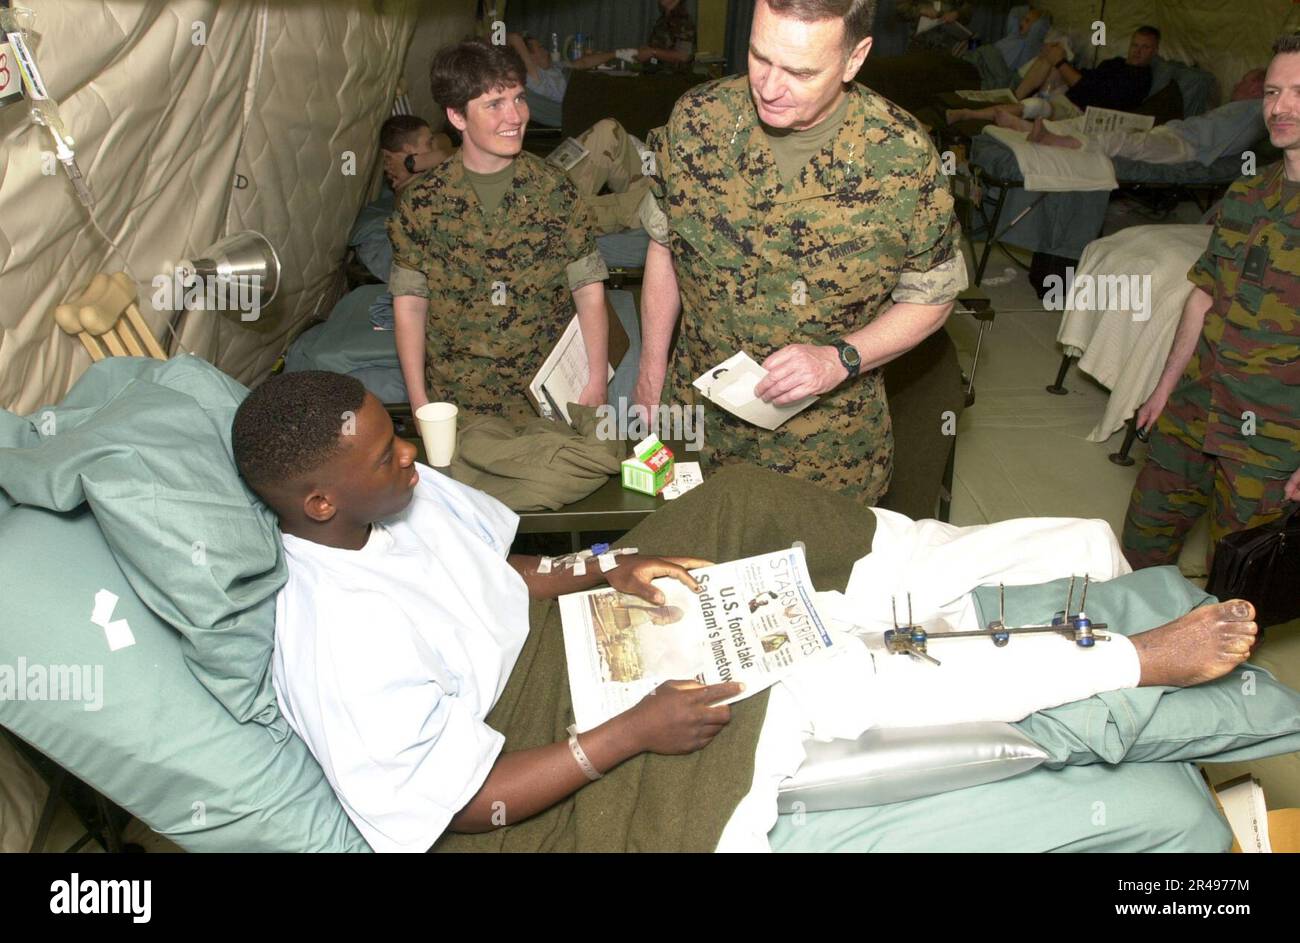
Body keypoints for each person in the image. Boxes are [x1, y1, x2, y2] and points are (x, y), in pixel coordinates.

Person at [231, 369, 1262, 853]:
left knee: (739, 503)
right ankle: (1126, 661)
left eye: (398, 437)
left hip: (567, 639)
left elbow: (507, 572)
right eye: (387, 454)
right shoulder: (337, 643)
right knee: (802, 672)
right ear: (319, 502)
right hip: (524, 751)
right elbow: (462, 806)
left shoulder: (398, 498)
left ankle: (951, 569)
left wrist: (603, 566)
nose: (412, 455)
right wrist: (627, 735)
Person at [633, 0, 967, 504]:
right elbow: (664, 243)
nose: (769, 87)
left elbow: (932, 298)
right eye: (759, 57)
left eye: (801, 72)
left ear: (855, 59)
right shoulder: (698, 120)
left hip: (826, 451)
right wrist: (650, 365)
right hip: (698, 422)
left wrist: (840, 359)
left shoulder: (901, 157)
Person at [1121, 36, 1300, 572]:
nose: (1280, 107)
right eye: (1272, 92)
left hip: (1272, 435)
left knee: (1238, 584)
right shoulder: (1247, 194)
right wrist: (1165, 387)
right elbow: (1204, 294)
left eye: (1298, 92)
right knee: (1138, 552)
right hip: (1194, 408)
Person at [388, 39, 610, 419]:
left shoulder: (554, 189)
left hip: (547, 396)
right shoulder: (422, 204)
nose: (516, 116)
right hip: (463, 400)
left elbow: (588, 290)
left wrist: (596, 379)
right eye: (495, 104)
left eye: (519, 98)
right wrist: (419, 400)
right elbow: (410, 304)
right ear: (457, 117)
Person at [1000, 68, 1266, 167]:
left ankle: (1059, 141)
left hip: (1187, 147)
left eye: (1243, 80)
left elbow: (1221, 141)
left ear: (1257, 87)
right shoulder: (1237, 109)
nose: (1236, 84)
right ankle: (1028, 127)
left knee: (1125, 142)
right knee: (1090, 122)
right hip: (1171, 131)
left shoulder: (1255, 109)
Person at [947, 27, 1160, 124]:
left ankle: (969, 114)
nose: (1138, 51)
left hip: (1080, 110)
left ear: (1154, 51)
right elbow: (1087, 77)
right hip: (1071, 93)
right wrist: (1058, 60)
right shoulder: (1115, 63)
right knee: (1052, 60)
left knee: (1036, 105)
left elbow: (1093, 95)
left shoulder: (1140, 78)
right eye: (1135, 45)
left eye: (1145, 47)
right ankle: (1014, 98)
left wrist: (1061, 61)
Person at [506, 32, 622, 128]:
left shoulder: (555, 66)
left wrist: (618, 54)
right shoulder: (533, 75)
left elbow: (583, 63)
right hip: (579, 109)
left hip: (590, 98)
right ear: (529, 56)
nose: (546, 52)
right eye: (540, 48)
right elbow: (514, 38)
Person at [641, 0, 697, 70]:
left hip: (675, 75)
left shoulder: (683, 21)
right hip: (656, 72)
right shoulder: (662, 20)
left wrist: (652, 52)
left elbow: (683, 56)